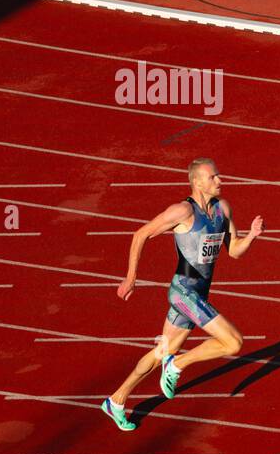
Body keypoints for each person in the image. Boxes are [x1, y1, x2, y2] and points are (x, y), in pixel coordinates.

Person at [101, 159, 262, 430]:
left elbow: (233, 250)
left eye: (218, 176)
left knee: (162, 350)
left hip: (198, 294)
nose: (220, 181)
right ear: (196, 182)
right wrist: (131, 277)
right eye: (213, 177)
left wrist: (252, 236)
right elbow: (140, 234)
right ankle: (177, 365)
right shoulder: (181, 211)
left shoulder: (223, 209)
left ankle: (116, 400)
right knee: (233, 342)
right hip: (184, 293)